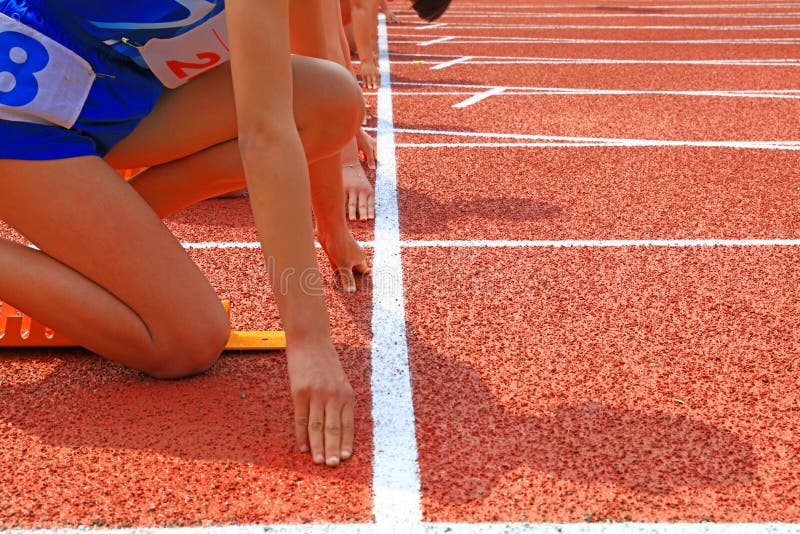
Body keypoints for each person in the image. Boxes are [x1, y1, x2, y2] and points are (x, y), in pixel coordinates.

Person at [0, 0, 366, 468]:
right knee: (186, 340)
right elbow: (266, 137)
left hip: (106, 87)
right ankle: (78, 225)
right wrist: (310, 339)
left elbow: (304, 84)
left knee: (332, 101)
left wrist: (332, 229)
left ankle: (93, 228)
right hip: (21, 102)